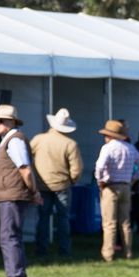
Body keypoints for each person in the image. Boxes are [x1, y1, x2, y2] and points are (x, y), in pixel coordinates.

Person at [0, 104, 37, 277]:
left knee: (9, 237)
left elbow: (24, 168)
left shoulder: (14, 140)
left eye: (1, 120)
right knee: (10, 237)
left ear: (12, 122)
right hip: (10, 193)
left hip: (12, 194)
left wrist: (33, 192)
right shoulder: (9, 140)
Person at [30, 109, 84, 258]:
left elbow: (27, 156)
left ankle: (41, 250)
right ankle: (64, 251)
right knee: (63, 219)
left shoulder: (38, 139)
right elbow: (77, 168)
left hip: (42, 185)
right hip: (62, 185)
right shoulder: (70, 144)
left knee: (43, 218)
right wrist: (72, 180)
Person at [94, 119, 139, 261]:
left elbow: (99, 167)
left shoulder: (108, 148)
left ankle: (108, 254)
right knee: (125, 222)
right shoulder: (130, 148)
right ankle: (128, 252)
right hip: (126, 186)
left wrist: (101, 180)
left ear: (110, 135)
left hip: (110, 187)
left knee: (109, 223)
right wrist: (134, 178)